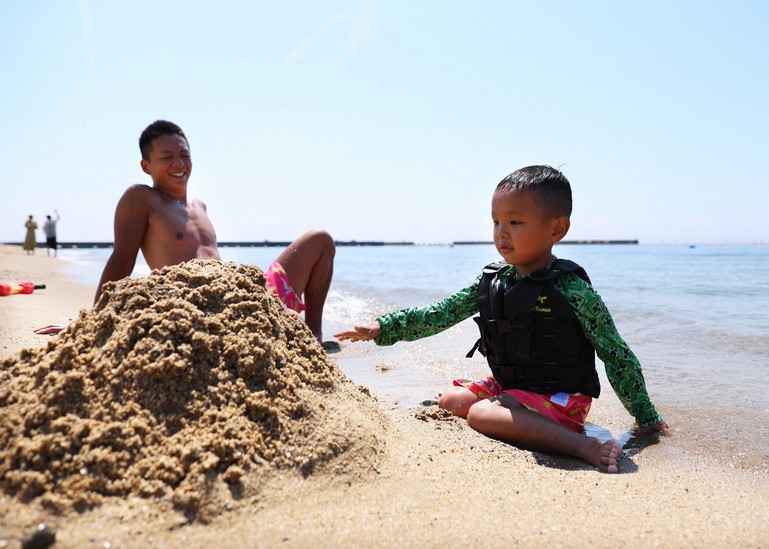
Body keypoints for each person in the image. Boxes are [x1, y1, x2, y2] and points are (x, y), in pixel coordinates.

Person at [335, 165, 671, 473]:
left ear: (557, 228)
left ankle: (584, 445)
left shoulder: (573, 289)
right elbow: (442, 313)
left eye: (515, 222)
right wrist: (384, 327)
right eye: (496, 222)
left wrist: (647, 418)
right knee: (453, 402)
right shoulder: (494, 280)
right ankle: (519, 414)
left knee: (480, 413)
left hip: (560, 397)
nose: (501, 233)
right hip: (514, 385)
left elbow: (617, 354)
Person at [89, 119, 336, 344]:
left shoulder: (199, 205)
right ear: (146, 166)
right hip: (205, 308)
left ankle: (312, 336)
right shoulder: (142, 198)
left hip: (249, 300)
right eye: (167, 157)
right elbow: (122, 259)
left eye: (184, 154)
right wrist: (94, 321)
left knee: (320, 239)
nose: (178, 163)